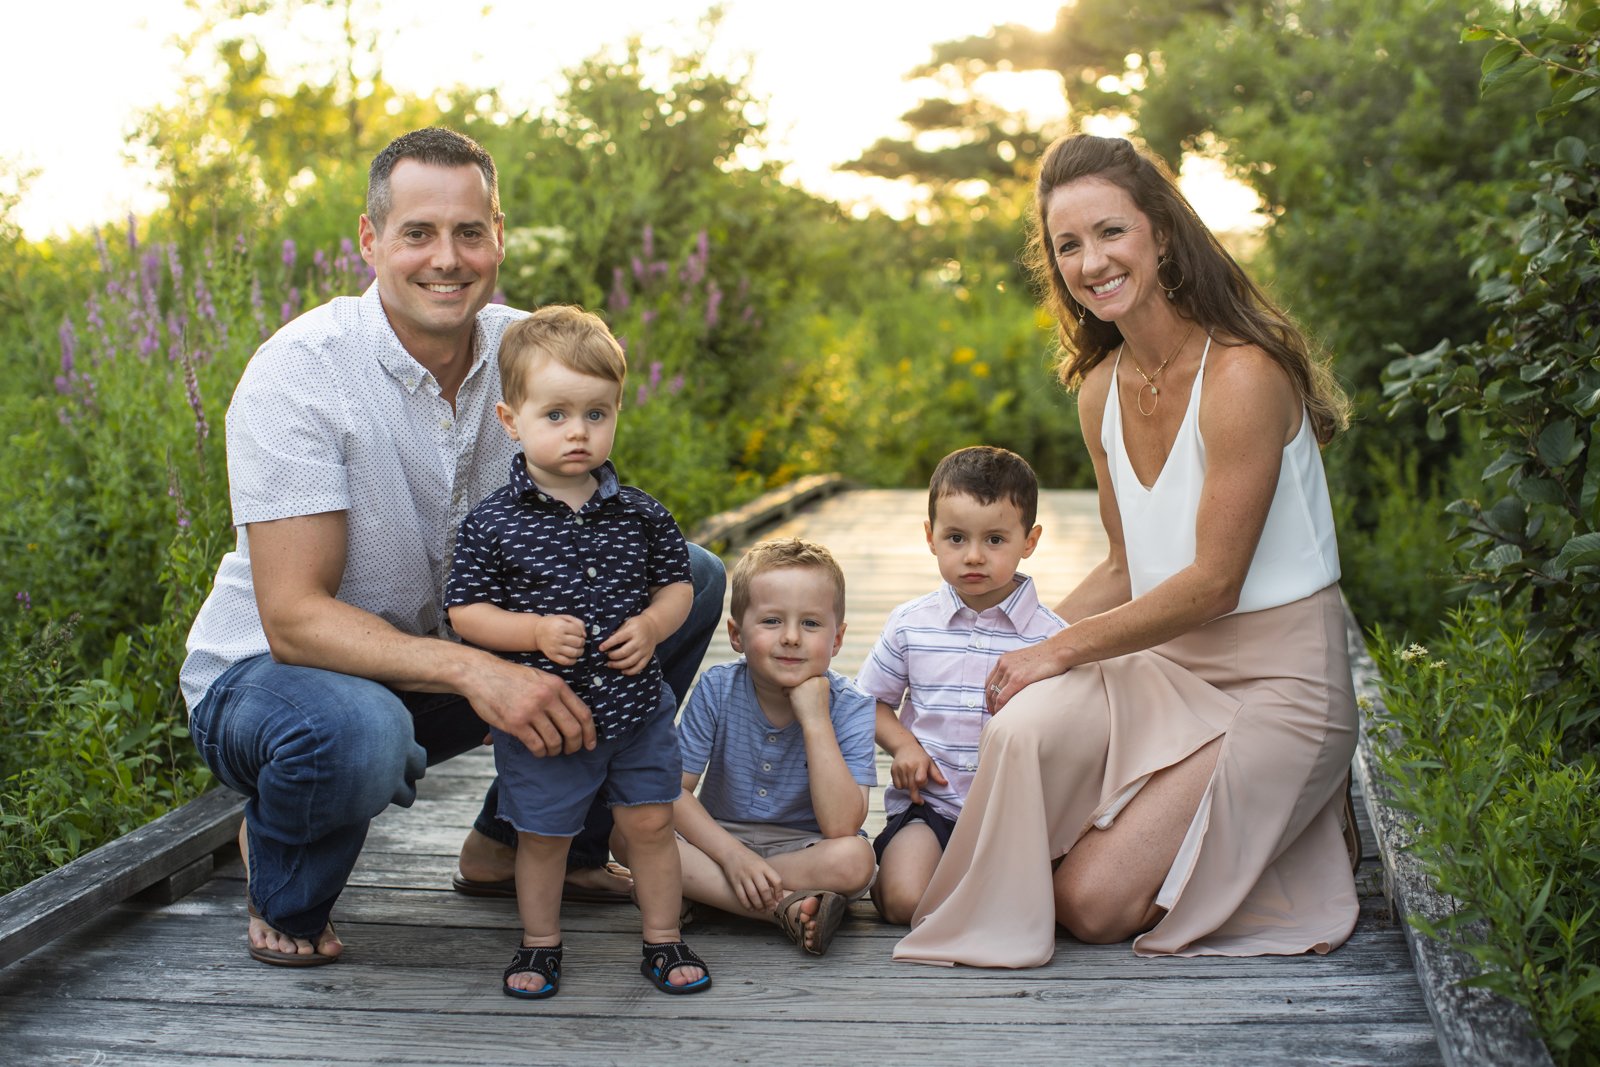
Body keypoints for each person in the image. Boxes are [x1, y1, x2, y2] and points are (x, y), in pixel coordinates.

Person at [180, 127, 724, 967]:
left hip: (446, 655)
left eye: (470, 232)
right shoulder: (302, 374)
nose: (448, 258)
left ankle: (525, 839)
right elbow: (294, 621)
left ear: (498, 235)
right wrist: (480, 670)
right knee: (355, 731)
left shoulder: (523, 352)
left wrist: (528, 649)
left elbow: (600, 534)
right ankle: (283, 876)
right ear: (370, 241)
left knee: (685, 578)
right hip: (275, 681)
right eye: (418, 233)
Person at [895, 133, 1359, 968]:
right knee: (1025, 728)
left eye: (1111, 232)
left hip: (1280, 682)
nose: (1091, 261)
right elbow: (1121, 565)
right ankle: (1197, 819)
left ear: (1162, 234)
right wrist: (1013, 647)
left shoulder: (1242, 376)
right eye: (1067, 244)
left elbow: (1214, 583)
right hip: (1164, 667)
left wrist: (1059, 649)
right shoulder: (1102, 388)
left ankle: (1296, 812)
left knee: (1089, 903)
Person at [445, 305, 709, 997]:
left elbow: (678, 586)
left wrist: (653, 625)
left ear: (617, 411)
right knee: (543, 837)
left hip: (636, 710)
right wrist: (530, 633)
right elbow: (465, 612)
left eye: (596, 414)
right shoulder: (492, 523)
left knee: (651, 823)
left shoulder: (641, 512)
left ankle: (662, 938)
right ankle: (539, 944)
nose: (578, 432)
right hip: (546, 722)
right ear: (511, 420)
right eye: (556, 414)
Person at [856, 445, 1065, 924]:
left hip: (1013, 817)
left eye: (995, 540)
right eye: (955, 538)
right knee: (905, 901)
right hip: (930, 807)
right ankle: (930, 882)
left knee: (1047, 905)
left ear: (1029, 540)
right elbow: (869, 702)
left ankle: (982, 891)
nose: (973, 556)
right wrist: (904, 747)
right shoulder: (911, 624)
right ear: (930, 537)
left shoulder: (1051, 638)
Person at [652, 538, 878, 957]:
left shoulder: (853, 705)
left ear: (838, 638)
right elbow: (673, 791)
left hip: (805, 847)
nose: (791, 638)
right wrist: (733, 856)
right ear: (736, 634)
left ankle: (707, 893)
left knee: (855, 859)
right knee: (630, 833)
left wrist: (815, 720)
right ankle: (783, 906)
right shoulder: (717, 688)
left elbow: (841, 826)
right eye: (772, 621)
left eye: (811, 624)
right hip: (719, 838)